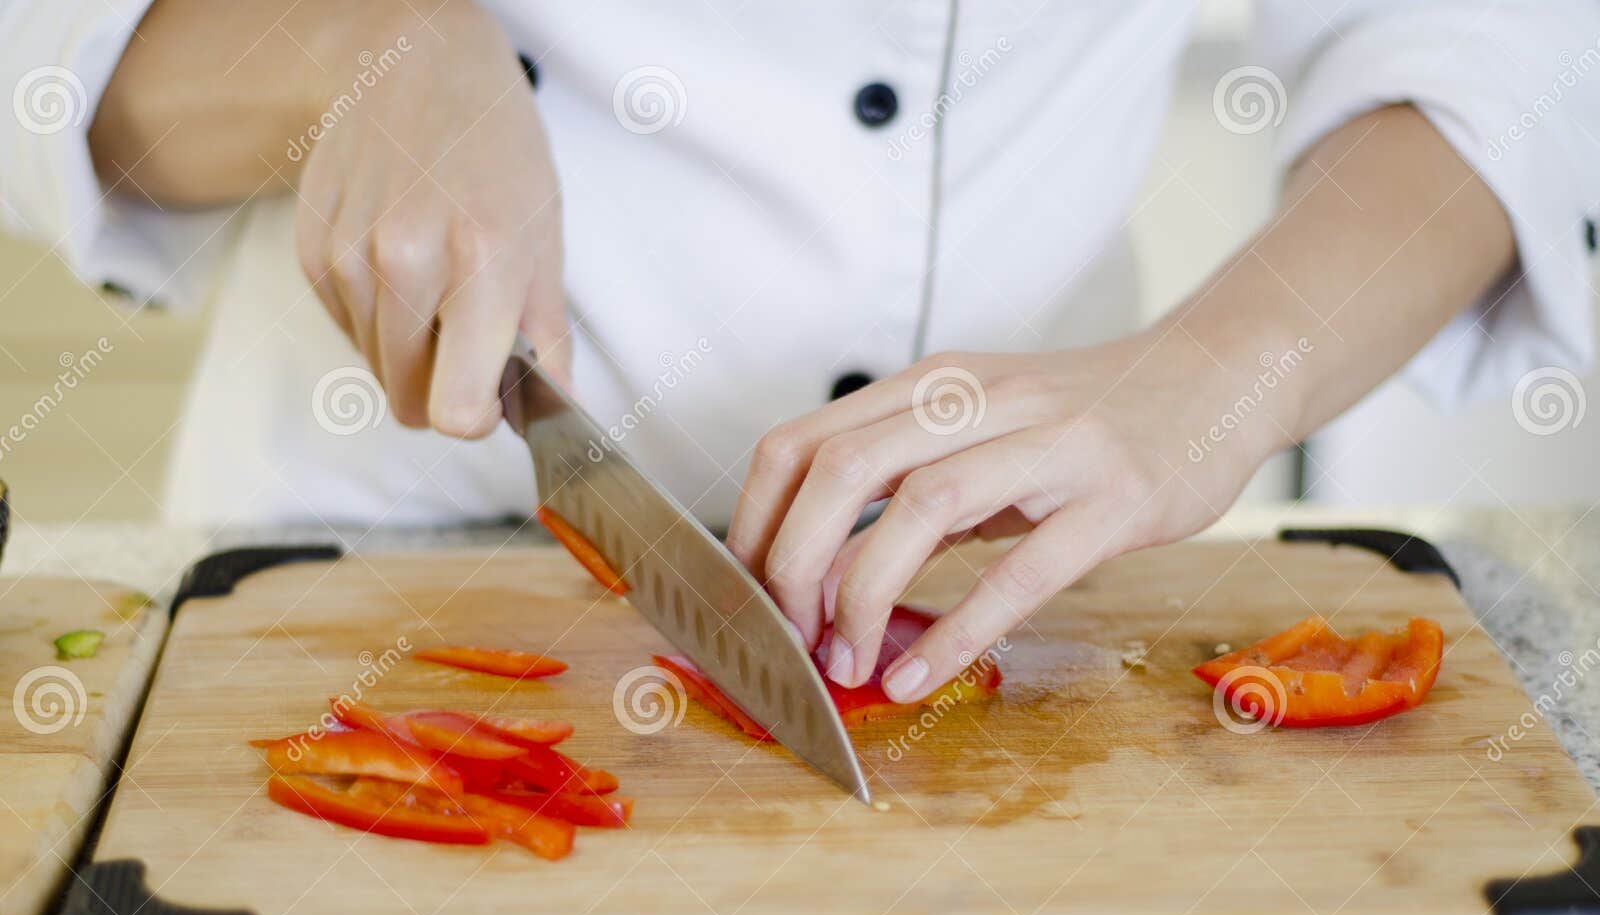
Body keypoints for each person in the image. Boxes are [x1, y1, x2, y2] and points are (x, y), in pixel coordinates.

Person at [2, 1, 1596, 702]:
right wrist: (353, 47)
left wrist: (1223, 371)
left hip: (1014, 574)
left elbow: (1498, 49)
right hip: (374, 548)